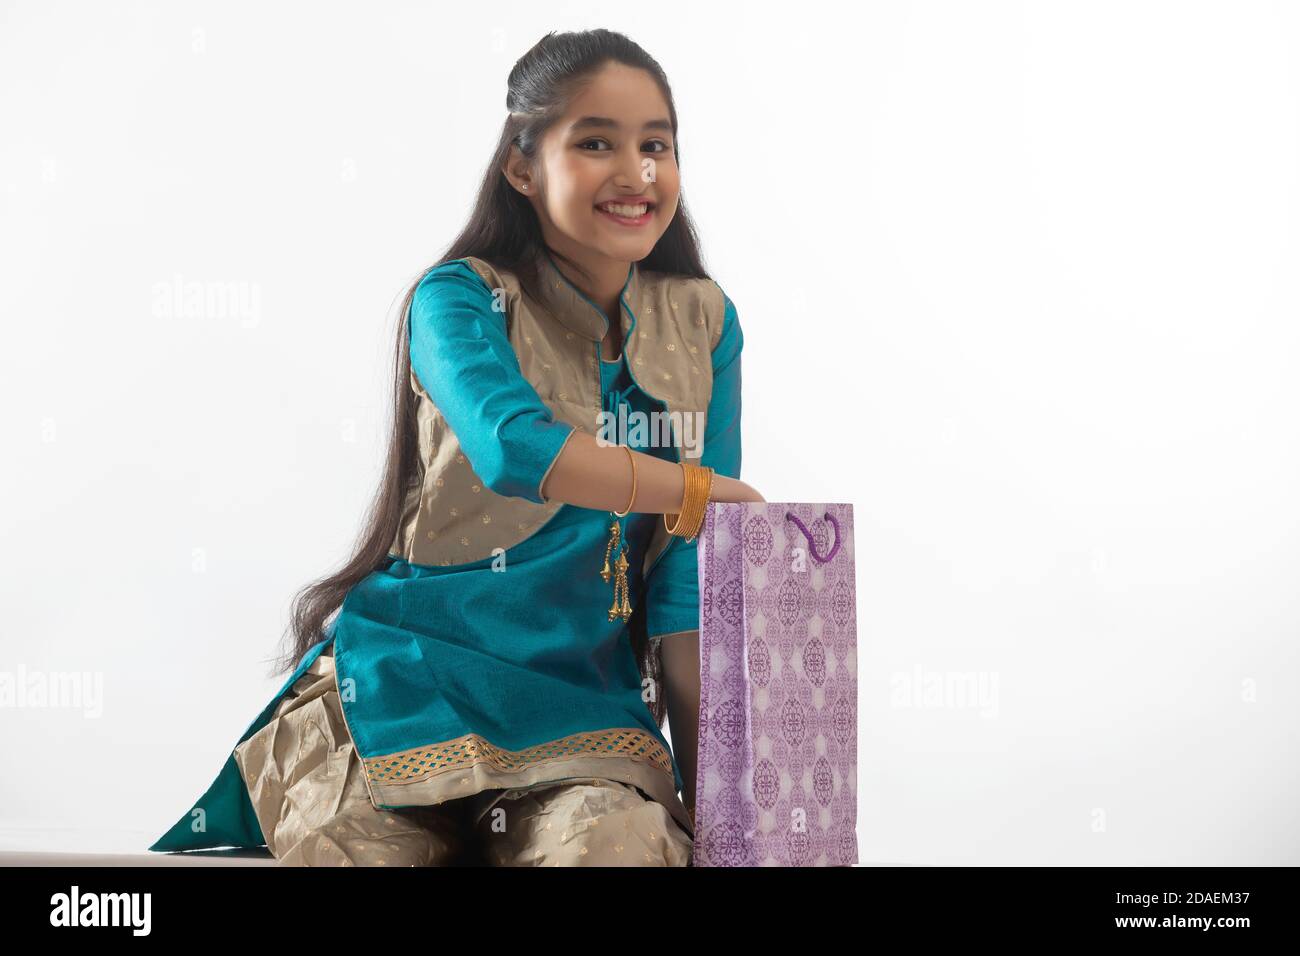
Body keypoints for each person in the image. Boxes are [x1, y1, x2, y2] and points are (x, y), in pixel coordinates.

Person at [148, 27, 763, 866]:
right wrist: (695, 490)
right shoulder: (459, 302)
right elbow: (516, 450)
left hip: (582, 719)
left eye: (656, 145)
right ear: (521, 165)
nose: (637, 173)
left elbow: (687, 598)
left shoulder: (704, 324)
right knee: (362, 851)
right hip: (403, 693)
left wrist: (728, 828)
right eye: (595, 143)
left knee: (612, 848)